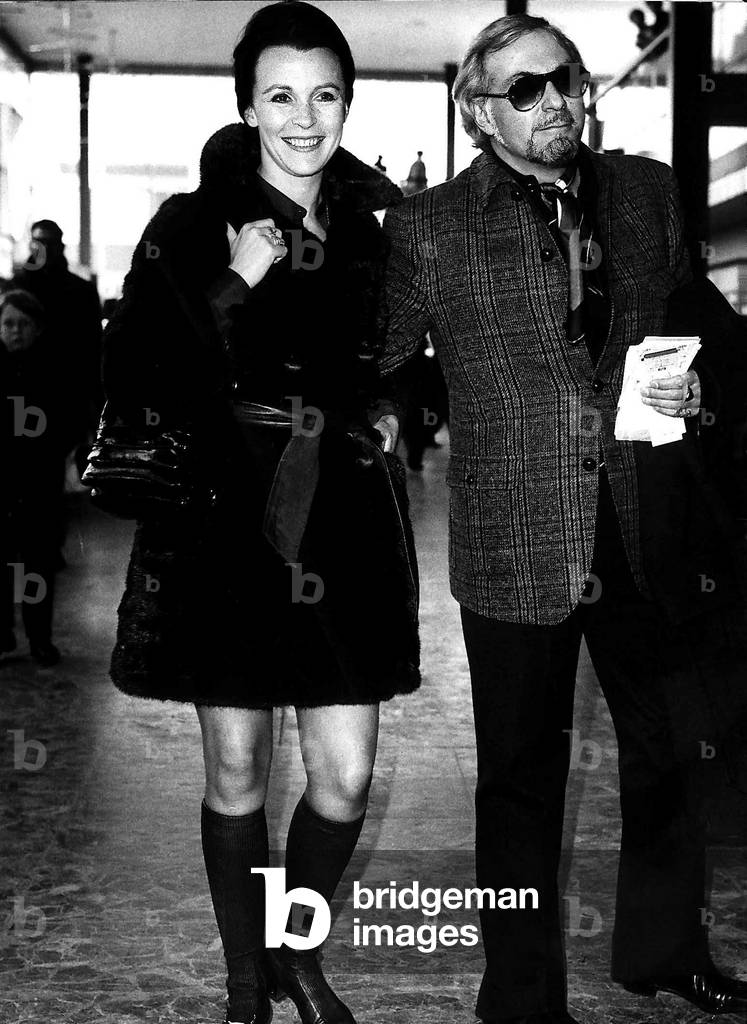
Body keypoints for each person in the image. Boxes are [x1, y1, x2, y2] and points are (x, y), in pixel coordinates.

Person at [381, 13, 747, 1024]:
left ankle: (665, 949)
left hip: (642, 525)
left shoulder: (640, 193)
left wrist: (697, 389)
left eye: (569, 82)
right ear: (479, 112)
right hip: (514, 541)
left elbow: (695, 328)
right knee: (521, 784)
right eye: (528, 89)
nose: (557, 104)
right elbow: (383, 364)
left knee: (671, 750)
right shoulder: (432, 225)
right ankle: (525, 997)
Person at [98, 4, 419, 1024]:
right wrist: (234, 282)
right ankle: (249, 981)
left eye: (324, 94)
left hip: (344, 517)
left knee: (345, 775)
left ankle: (295, 950)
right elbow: (138, 369)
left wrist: (394, 412)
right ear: (247, 103)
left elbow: (404, 360)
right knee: (236, 768)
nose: (303, 116)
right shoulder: (191, 224)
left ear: (346, 104)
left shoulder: (370, 232)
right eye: (281, 94)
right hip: (226, 519)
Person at [0, 289, 75, 666]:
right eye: (8, 324)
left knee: (37, 566)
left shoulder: (52, 371)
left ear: (37, 328)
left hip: (38, 484)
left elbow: (67, 424)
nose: (15, 331)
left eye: (23, 324)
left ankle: (39, 637)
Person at [12, 219, 103, 452]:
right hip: (26, 388)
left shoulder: (80, 292)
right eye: (39, 242)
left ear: (60, 247)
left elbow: (93, 350)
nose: (43, 249)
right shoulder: (16, 289)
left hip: (65, 393)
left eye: (49, 243)